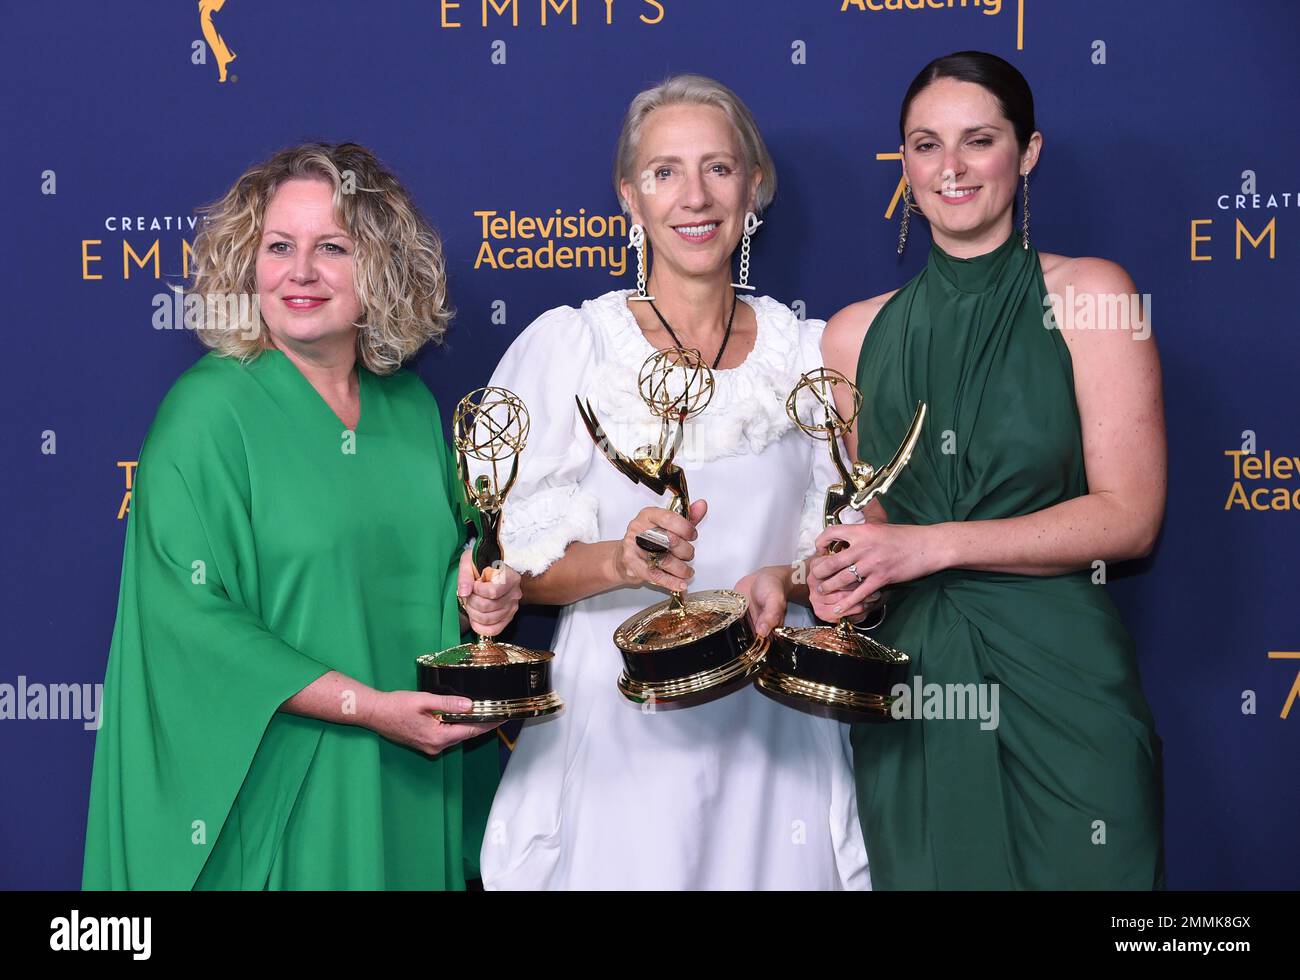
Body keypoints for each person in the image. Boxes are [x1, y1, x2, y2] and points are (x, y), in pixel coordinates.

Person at [83, 142, 521, 890]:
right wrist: (368, 707)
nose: (301, 272)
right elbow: (186, 619)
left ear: (379, 264)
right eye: (279, 247)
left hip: (405, 775)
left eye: (332, 248)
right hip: (276, 780)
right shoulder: (208, 412)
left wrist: (481, 593)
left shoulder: (410, 410)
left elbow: (439, 568)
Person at [477, 75, 870, 890]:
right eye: (664, 172)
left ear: (754, 187)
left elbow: (852, 559)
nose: (694, 197)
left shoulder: (812, 355)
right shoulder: (572, 349)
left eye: (718, 169)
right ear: (630, 195)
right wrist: (620, 563)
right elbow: (512, 567)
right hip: (618, 732)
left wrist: (794, 581)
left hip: (774, 745)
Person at [812, 52, 1166, 889]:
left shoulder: (1093, 295)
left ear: (1028, 151)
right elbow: (876, 536)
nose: (952, 167)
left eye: (980, 140)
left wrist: (929, 547)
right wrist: (831, 578)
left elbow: (1130, 518)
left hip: (1065, 683)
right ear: (905, 163)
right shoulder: (851, 338)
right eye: (927, 145)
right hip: (916, 689)